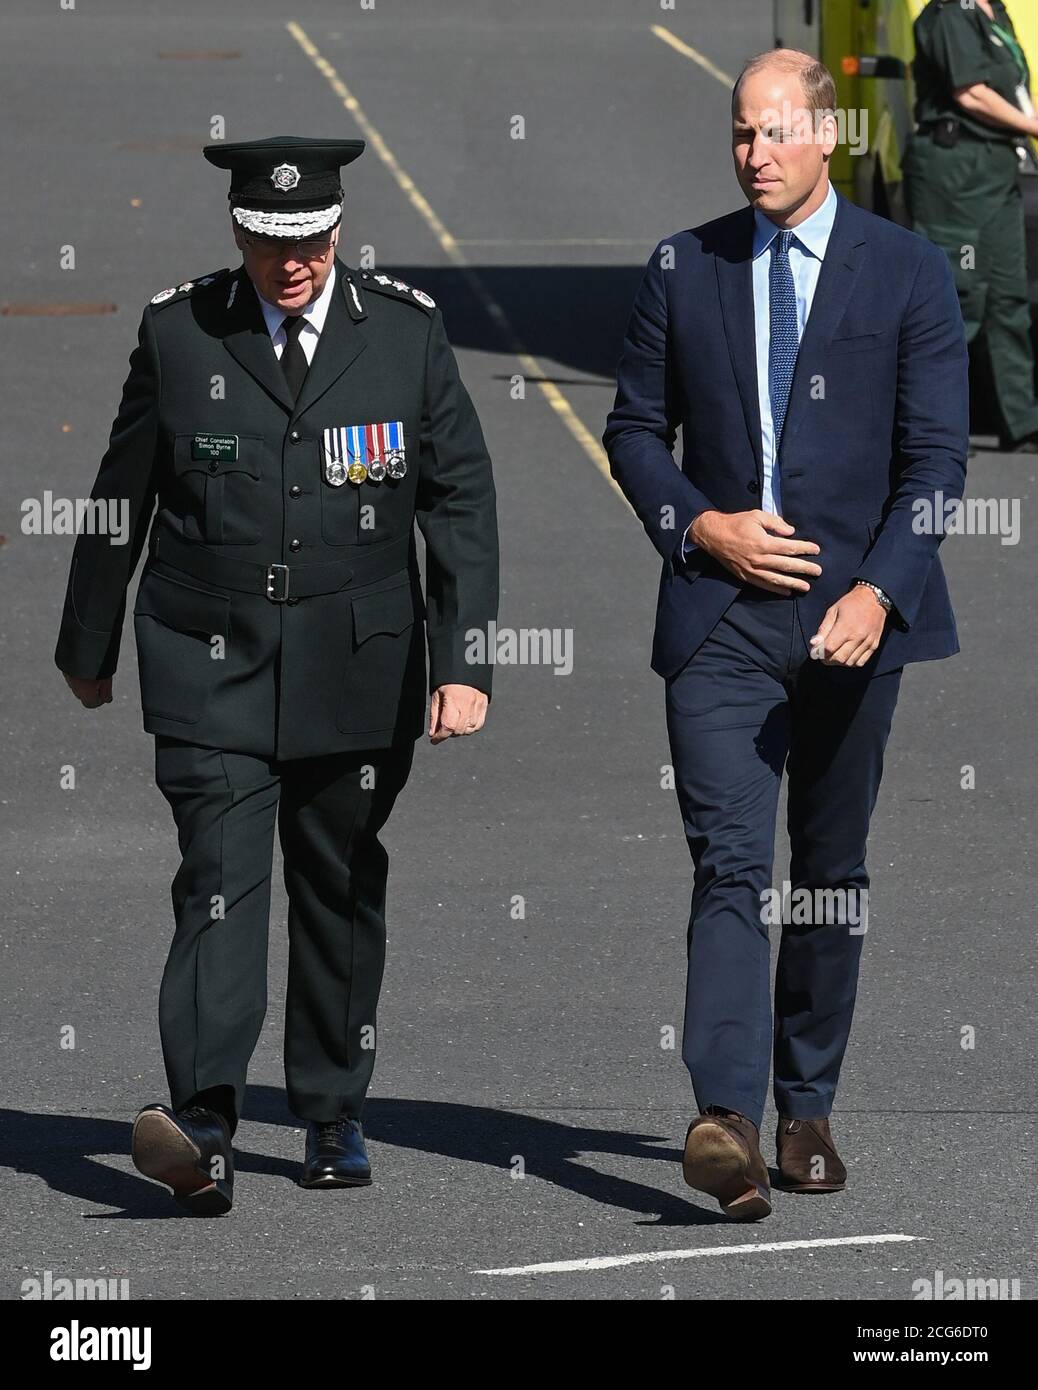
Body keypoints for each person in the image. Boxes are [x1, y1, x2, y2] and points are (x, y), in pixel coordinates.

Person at [54, 136, 499, 1214]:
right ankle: (203, 1119)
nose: (288, 262)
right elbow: (124, 494)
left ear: (337, 232)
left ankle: (332, 1109)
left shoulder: (403, 335)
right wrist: (89, 641)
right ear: (238, 232)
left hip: (360, 669)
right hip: (211, 666)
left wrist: (467, 658)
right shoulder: (179, 333)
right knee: (215, 879)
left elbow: (459, 503)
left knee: (339, 888)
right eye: (266, 240)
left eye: (306, 241)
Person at [603, 51, 967, 1220]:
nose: (752, 154)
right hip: (720, 617)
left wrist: (880, 595)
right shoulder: (683, 265)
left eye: (772, 133)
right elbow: (632, 432)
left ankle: (806, 1103)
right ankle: (724, 1121)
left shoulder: (906, 272)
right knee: (728, 865)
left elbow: (937, 462)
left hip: (850, 627)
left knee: (829, 874)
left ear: (827, 135)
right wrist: (700, 525)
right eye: (739, 134)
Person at [905, 0, 1038, 451]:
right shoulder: (949, 14)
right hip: (956, 174)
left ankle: (1021, 423)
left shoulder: (994, 11)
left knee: (1007, 299)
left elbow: (1012, 84)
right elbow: (971, 92)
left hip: (997, 169)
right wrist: (1032, 126)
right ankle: (932, 431)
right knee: (958, 301)